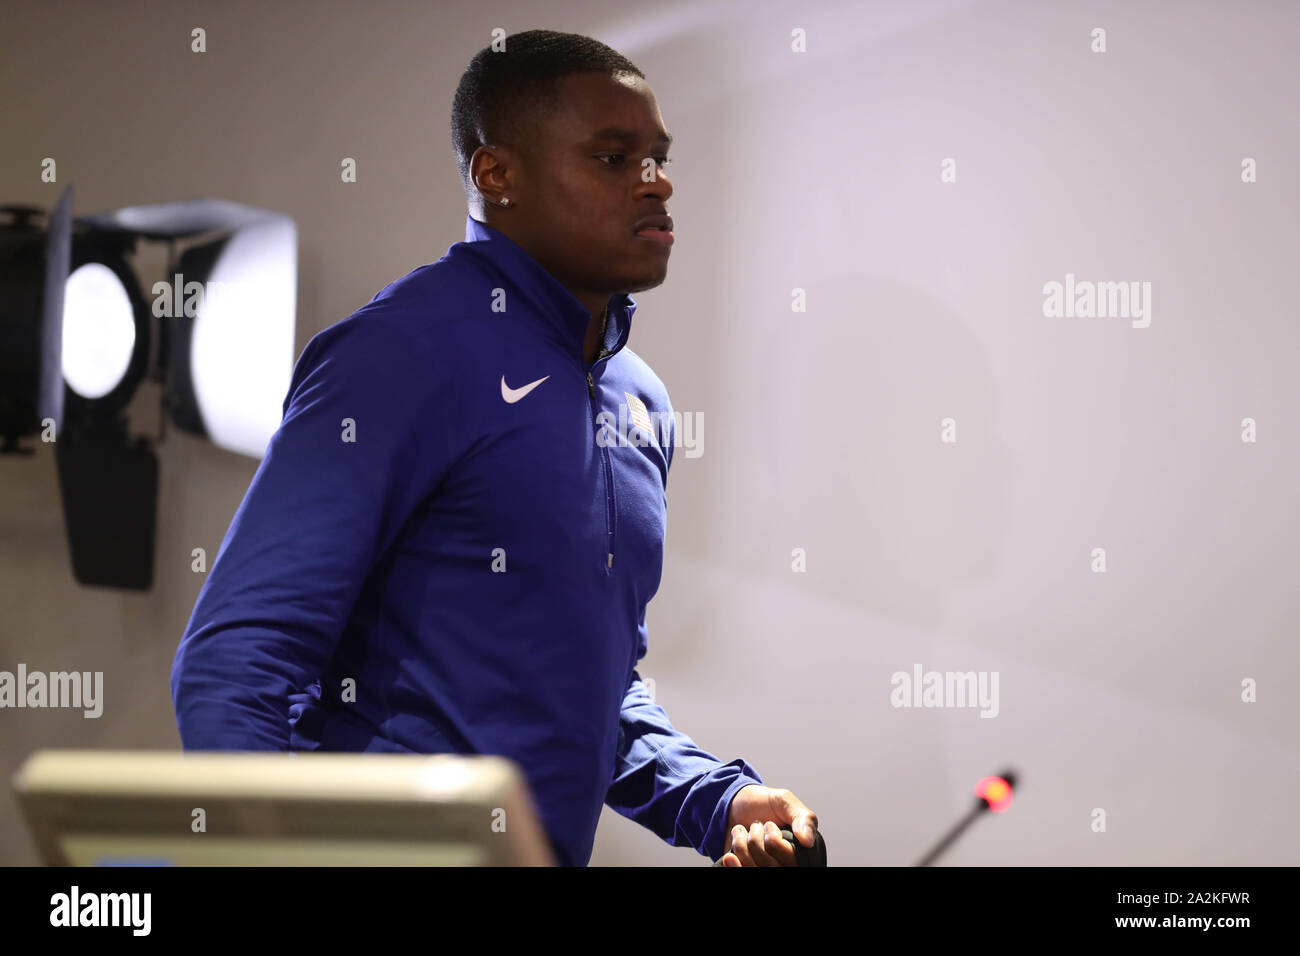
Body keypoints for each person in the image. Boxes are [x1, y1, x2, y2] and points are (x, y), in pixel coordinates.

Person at [170, 28, 817, 867]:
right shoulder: (399, 355)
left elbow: (583, 692)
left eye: (658, 156)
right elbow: (236, 662)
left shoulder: (641, 404)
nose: (656, 183)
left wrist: (717, 801)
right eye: (614, 159)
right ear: (496, 175)